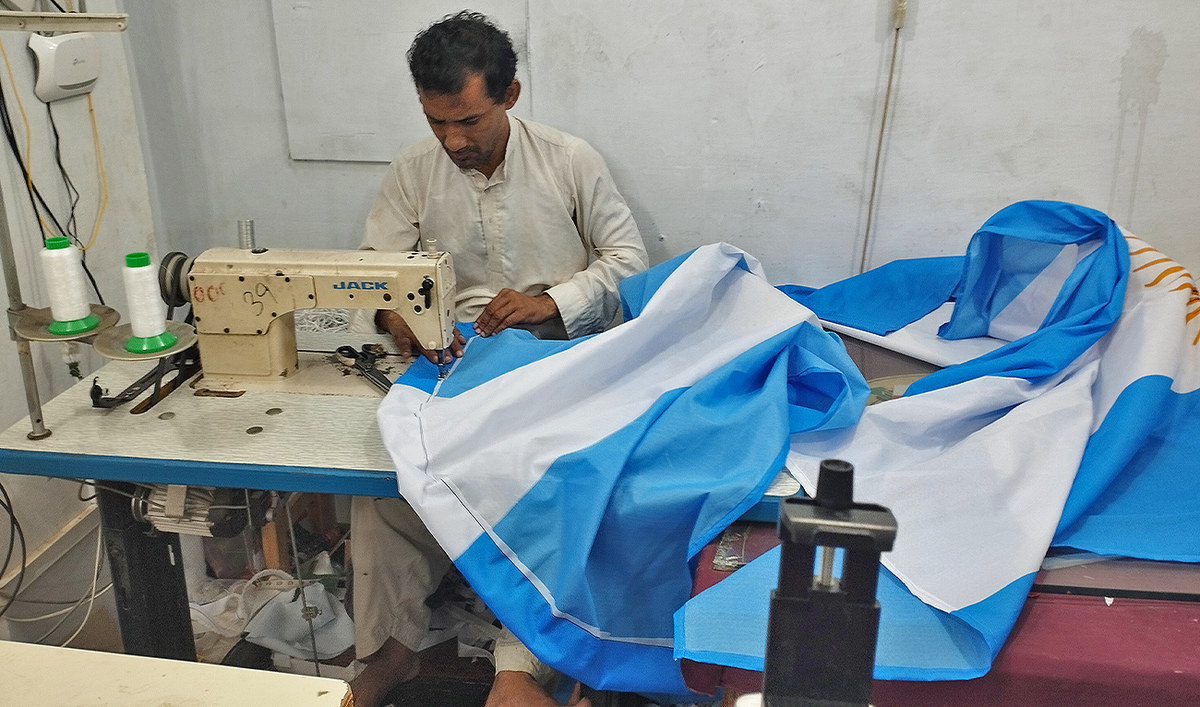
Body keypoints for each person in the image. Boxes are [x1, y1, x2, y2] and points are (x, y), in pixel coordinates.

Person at [347, 11, 649, 707]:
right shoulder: (412, 171)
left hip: (555, 364)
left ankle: (520, 665)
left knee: (542, 475)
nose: (453, 141)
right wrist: (396, 314)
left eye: (469, 122)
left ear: (509, 97)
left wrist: (555, 302)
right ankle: (391, 655)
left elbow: (629, 264)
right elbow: (374, 273)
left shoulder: (570, 160)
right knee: (385, 489)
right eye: (436, 123)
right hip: (454, 364)